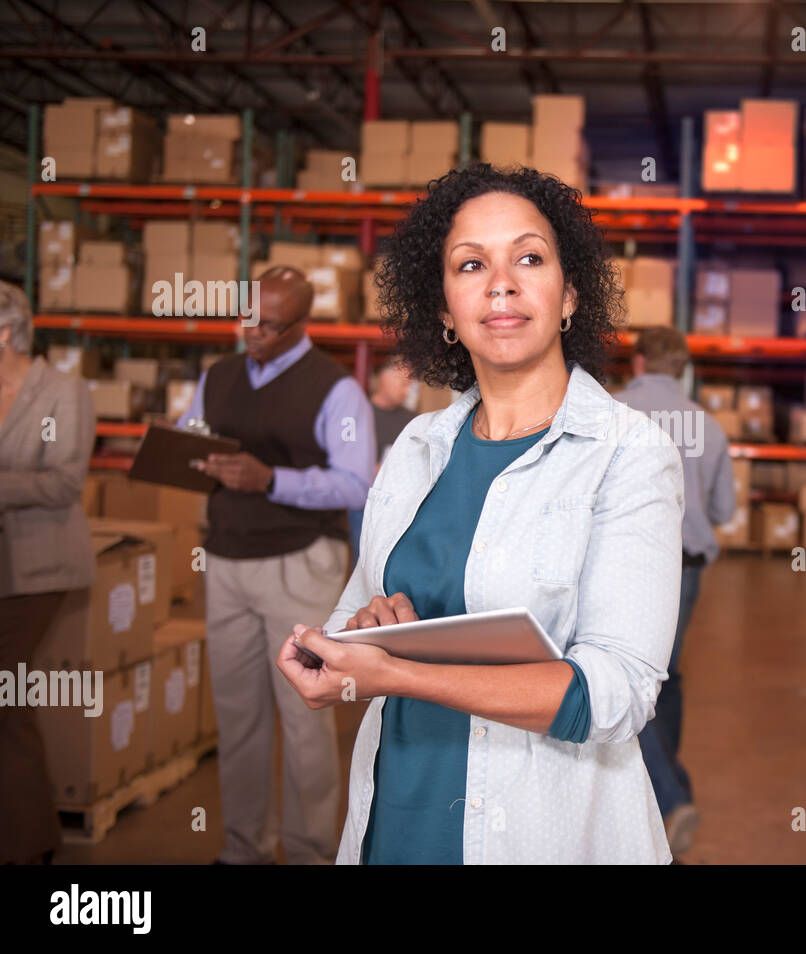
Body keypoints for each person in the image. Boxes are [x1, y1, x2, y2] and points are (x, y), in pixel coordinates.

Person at [275, 164, 686, 865]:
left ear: (569, 297)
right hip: (400, 813)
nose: (502, 282)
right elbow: (357, 610)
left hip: (539, 832)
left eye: (529, 257)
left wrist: (399, 674)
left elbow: (617, 693)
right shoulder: (415, 448)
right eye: (471, 264)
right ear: (442, 309)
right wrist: (347, 645)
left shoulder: (629, 455)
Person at [177, 265, 375, 865]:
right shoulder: (219, 377)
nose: (252, 334)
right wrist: (182, 454)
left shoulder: (336, 389)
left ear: (300, 325)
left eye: (268, 326)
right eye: (245, 321)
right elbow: (190, 434)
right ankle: (243, 849)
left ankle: (310, 853)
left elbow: (357, 483)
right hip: (228, 559)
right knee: (237, 717)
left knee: (304, 719)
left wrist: (270, 480)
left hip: (299, 564)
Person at [616, 326, 736, 856]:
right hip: (685, 568)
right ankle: (665, 791)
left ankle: (666, 797)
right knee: (670, 674)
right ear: (682, 368)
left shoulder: (610, 411)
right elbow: (726, 512)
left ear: (639, 362)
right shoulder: (708, 427)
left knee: (625, 674)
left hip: (623, 561)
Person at [0, 281, 94, 865]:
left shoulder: (63, 392)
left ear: (5, 330)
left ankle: (30, 840)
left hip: (35, 570)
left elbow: (63, 481)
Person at [347, 358, 416, 572]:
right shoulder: (355, 414)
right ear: (385, 377)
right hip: (361, 502)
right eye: (404, 383)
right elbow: (344, 453)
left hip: (398, 504)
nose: (407, 391)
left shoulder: (413, 420)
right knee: (363, 563)